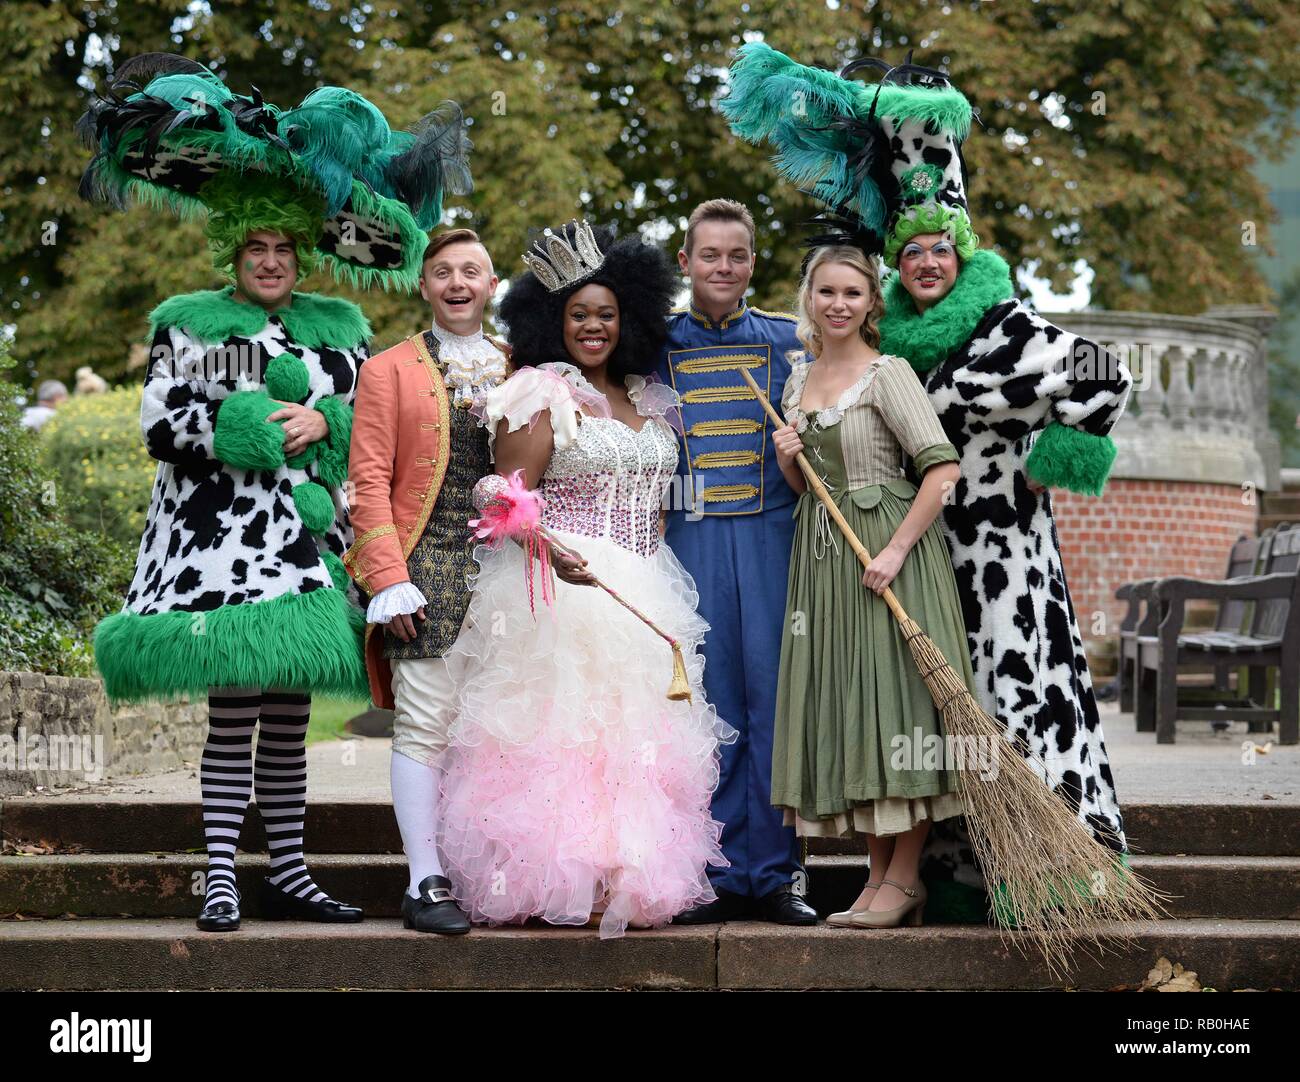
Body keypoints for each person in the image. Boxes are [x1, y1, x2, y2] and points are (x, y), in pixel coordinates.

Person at [723, 41, 1137, 921]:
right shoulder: (898, 348)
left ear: (961, 255)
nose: (925, 265)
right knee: (946, 721)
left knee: (1018, 701)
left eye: (939, 253)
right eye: (910, 256)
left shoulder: (1005, 328)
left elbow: (1104, 378)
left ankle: (1058, 870)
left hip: (1003, 551)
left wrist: (1040, 470)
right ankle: (956, 871)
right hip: (926, 553)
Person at [81, 53, 470, 932]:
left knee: (289, 717)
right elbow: (158, 422)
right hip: (216, 544)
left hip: (304, 547)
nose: (269, 260)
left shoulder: (341, 332)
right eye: (255, 248)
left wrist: (322, 425)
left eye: (283, 248)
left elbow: (371, 427)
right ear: (235, 252)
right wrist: (245, 426)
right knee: (235, 713)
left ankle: (288, 871)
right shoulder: (189, 321)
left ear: (301, 254)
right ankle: (220, 875)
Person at [437, 220, 734, 938]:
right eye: (578, 314)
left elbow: (660, 501)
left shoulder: (648, 398)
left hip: (646, 590)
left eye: (606, 314)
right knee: (565, 738)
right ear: (553, 321)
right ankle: (555, 880)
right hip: (558, 591)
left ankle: (624, 878)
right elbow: (496, 493)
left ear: (626, 319)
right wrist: (547, 546)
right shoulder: (538, 394)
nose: (593, 327)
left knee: (634, 742)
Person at [770, 245, 970, 927]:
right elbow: (808, 492)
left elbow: (942, 473)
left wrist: (894, 550)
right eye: (826, 292)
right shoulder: (796, 381)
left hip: (892, 554)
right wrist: (789, 461)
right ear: (809, 298)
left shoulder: (890, 374)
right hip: (824, 561)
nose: (838, 304)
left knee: (899, 710)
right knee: (858, 708)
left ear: (870, 303)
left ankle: (906, 877)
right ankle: (876, 878)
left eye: (852, 293)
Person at [345, 228, 510, 935]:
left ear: (491, 285)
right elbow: (369, 479)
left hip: (509, 574)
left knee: (501, 731)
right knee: (423, 726)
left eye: (471, 271)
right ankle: (424, 881)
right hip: (425, 572)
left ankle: (493, 876)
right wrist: (386, 575)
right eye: (442, 271)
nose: (457, 282)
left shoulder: (523, 364)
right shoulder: (386, 369)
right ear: (423, 285)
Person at [660, 199, 817, 927]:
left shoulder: (793, 343)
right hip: (689, 539)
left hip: (771, 538)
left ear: (752, 264)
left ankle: (779, 873)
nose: (723, 267)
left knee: (774, 704)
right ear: (685, 263)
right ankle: (715, 871)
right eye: (710, 255)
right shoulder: (651, 345)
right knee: (707, 708)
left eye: (737, 256)